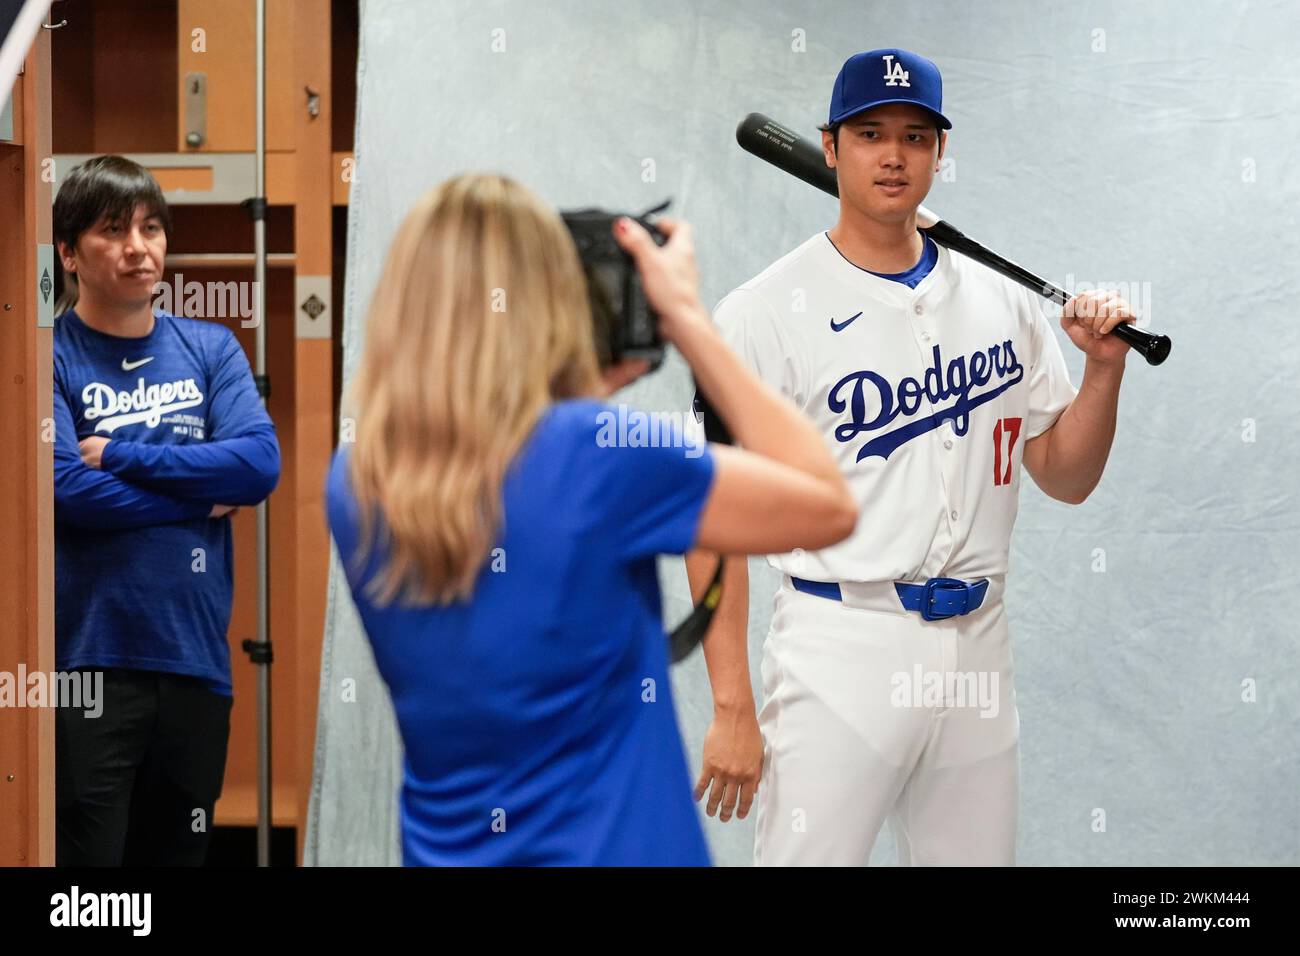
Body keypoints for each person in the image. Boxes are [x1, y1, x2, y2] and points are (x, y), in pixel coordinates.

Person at [324, 173, 858, 866]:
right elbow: (828, 503)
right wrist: (689, 321)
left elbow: (508, 479)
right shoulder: (604, 457)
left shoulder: (357, 477)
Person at [685, 48, 1136, 865]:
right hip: (841, 642)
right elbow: (708, 519)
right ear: (830, 147)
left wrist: (1104, 371)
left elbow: (1066, 478)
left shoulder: (1001, 299)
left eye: (915, 136)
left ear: (939, 150)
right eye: (870, 134)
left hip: (977, 646)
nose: (893, 155)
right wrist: (731, 706)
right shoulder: (759, 314)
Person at [52, 155, 281, 865]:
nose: (138, 247)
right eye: (113, 230)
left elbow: (258, 466)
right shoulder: (47, 355)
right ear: (67, 252)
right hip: (87, 668)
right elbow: (66, 490)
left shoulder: (211, 348)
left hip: (194, 664)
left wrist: (121, 455)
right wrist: (199, 496)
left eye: (152, 228)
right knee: (89, 895)